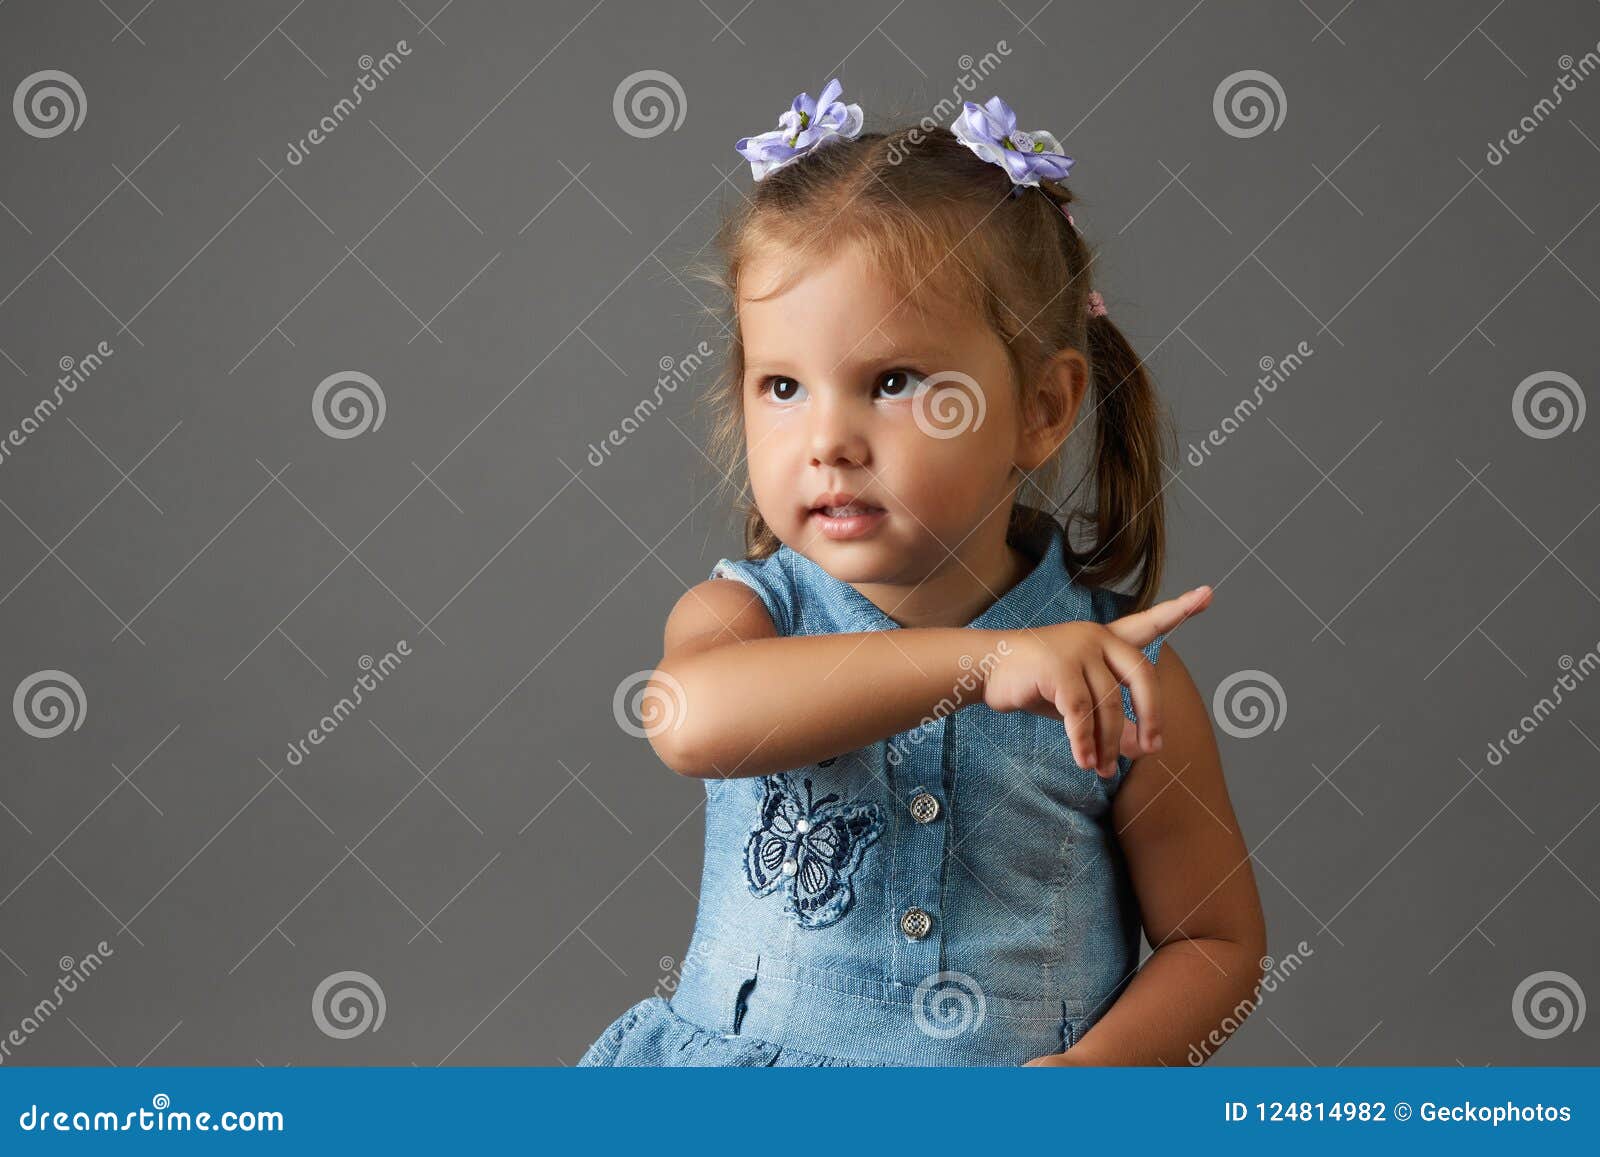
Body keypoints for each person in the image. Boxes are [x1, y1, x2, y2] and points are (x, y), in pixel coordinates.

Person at [580, 79, 1266, 1067]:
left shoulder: (1116, 681)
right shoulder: (747, 614)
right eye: (783, 384)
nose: (827, 440)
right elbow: (690, 720)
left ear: (1041, 407)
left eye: (893, 381)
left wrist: (1092, 1075)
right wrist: (984, 663)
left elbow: (1217, 942)